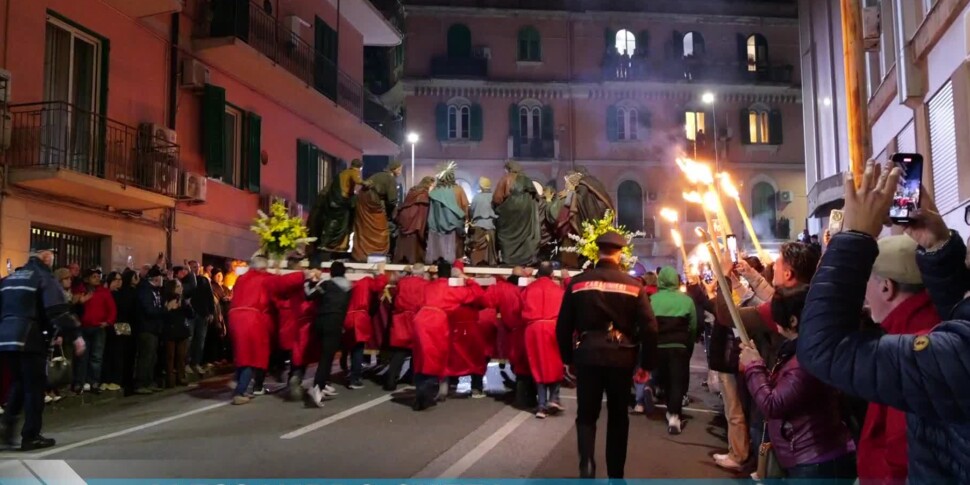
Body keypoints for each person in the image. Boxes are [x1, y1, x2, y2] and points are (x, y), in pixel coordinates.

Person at [798, 162, 970, 482]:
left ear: (887, 286)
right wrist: (938, 246)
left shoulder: (948, 353)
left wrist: (855, 237)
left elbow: (823, 348)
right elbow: (961, 315)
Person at [556, 232, 658, 479]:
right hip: (621, 358)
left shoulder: (578, 283)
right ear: (620, 253)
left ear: (597, 251)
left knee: (587, 414)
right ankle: (615, 474)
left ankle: (587, 465)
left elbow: (563, 326)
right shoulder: (634, 286)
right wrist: (647, 364)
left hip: (588, 356)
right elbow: (650, 327)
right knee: (618, 417)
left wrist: (568, 359)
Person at [740, 286, 857, 479]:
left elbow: (773, 404)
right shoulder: (804, 349)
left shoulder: (804, 361)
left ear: (793, 320)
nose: (773, 319)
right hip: (815, 456)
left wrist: (753, 366)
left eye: (776, 314)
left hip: (817, 462)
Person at [856, 235, 941, 482]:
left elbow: (899, 454)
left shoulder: (909, 351)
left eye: (866, 283)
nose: (864, 296)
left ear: (886, 287)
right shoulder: (934, 328)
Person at [0, 249, 85, 451]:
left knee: (19, 383)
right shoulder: (44, 277)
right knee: (34, 388)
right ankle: (31, 435)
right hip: (30, 337)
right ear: (46, 257)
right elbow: (57, 310)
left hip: (6, 338)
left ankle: (6, 429)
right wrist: (75, 335)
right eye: (52, 254)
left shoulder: (10, 278)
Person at [227, 256, 309, 405]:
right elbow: (283, 282)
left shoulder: (242, 278)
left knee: (241, 352)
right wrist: (304, 275)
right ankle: (240, 390)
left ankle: (238, 380)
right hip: (251, 318)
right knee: (250, 356)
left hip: (234, 315)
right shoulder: (264, 279)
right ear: (263, 268)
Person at [411, 260, 485, 411]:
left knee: (420, 357)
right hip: (436, 321)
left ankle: (420, 391)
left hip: (419, 319)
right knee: (436, 358)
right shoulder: (451, 288)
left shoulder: (428, 285)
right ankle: (424, 394)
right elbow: (477, 292)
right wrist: (466, 278)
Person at [650, 266, 697, 435]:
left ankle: (658, 394)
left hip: (659, 346)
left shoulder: (652, 300)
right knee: (677, 382)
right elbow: (693, 327)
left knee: (664, 380)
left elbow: (647, 325)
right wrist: (688, 346)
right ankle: (674, 416)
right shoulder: (686, 301)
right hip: (679, 347)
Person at [305, 262, 352, 407]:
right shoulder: (349, 288)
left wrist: (308, 281)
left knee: (325, 356)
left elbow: (309, 296)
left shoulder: (326, 284)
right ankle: (319, 385)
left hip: (321, 321)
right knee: (328, 356)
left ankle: (321, 384)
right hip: (336, 323)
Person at [522, 262, 565, 419]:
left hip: (533, 328)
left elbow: (521, 306)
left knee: (537, 365)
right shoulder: (558, 290)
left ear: (538, 274)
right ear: (552, 275)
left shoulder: (529, 289)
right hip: (553, 328)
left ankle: (541, 406)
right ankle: (554, 398)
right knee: (556, 363)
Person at [484, 268, 529, 407]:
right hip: (523, 329)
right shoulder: (526, 287)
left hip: (508, 328)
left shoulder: (501, 287)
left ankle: (518, 387)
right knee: (524, 362)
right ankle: (523, 393)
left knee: (514, 358)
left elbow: (488, 301)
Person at [342, 265, 388, 389]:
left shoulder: (349, 282)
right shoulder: (366, 281)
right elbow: (379, 285)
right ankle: (354, 378)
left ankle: (347, 371)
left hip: (347, 316)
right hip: (359, 317)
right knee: (358, 349)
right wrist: (382, 273)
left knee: (350, 347)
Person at [386, 264, 429, 391]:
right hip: (417, 317)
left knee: (399, 351)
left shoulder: (403, 282)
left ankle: (390, 381)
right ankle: (414, 379)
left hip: (401, 317)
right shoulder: (425, 284)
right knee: (417, 351)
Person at [309, 159, 364, 256]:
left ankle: (329, 244)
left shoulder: (340, 175)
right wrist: (368, 183)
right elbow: (358, 181)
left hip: (332, 202)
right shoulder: (352, 172)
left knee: (331, 222)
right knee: (337, 223)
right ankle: (329, 243)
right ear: (359, 168)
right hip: (339, 203)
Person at [75, 268, 116, 394]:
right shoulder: (81, 291)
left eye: (98, 276)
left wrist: (108, 322)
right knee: (83, 357)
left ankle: (94, 382)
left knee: (96, 357)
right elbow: (74, 305)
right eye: (94, 276)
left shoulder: (104, 292)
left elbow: (112, 309)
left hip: (98, 328)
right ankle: (81, 383)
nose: (97, 278)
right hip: (84, 327)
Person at [352, 162, 402, 262]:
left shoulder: (377, 175)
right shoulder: (390, 178)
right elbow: (392, 200)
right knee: (380, 229)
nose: (400, 172)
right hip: (373, 204)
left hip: (362, 201)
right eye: (400, 169)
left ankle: (361, 254)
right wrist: (391, 213)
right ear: (394, 169)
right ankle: (377, 255)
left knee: (363, 228)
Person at [492, 161, 540, 266]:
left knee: (506, 235)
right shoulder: (528, 180)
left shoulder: (506, 178)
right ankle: (525, 259)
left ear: (509, 169)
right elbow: (537, 198)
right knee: (525, 235)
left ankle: (509, 259)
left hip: (509, 213)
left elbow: (497, 198)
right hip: (526, 215)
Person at [425, 164, 468, 264]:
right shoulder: (458, 189)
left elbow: (431, 209)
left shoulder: (434, 191)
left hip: (436, 225)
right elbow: (465, 205)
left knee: (438, 248)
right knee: (455, 249)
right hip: (454, 225)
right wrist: (465, 218)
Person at [134, 267, 166, 394]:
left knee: (152, 357)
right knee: (145, 357)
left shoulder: (156, 290)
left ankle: (148, 381)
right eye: (161, 276)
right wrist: (165, 309)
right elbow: (149, 310)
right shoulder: (145, 290)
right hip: (146, 328)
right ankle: (140, 383)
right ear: (156, 278)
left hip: (155, 328)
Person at [394, 176, 435, 264]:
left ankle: (402, 258)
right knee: (415, 243)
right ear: (429, 184)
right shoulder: (424, 195)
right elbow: (422, 213)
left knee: (404, 241)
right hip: (415, 220)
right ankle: (413, 259)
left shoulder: (412, 191)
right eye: (432, 185)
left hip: (405, 217)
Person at [161, 279, 193, 388]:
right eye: (178, 286)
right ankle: (170, 380)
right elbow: (163, 316)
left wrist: (187, 305)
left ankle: (181, 377)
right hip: (170, 331)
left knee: (181, 356)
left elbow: (191, 315)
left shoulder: (182, 300)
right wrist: (168, 308)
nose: (181, 288)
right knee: (170, 356)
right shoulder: (166, 299)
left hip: (182, 331)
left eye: (181, 286)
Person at [186, 260, 215, 375]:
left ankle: (196, 362)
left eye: (197, 267)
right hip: (191, 314)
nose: (196, 269)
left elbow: (210, 297)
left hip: (203, 314)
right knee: (189, 339)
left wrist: (211, 312)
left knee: (200, 340)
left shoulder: (203, 280)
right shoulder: (188, 280)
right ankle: (186, 363)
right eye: (193, 267)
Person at [468, 176, 499, 266]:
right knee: (491, 248)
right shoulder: (494, 197)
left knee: (478, 249)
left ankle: (477, 263)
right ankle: (491, 262)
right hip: (491, 225)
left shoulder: (476, 197)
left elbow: (472, 210)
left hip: (479, 225)